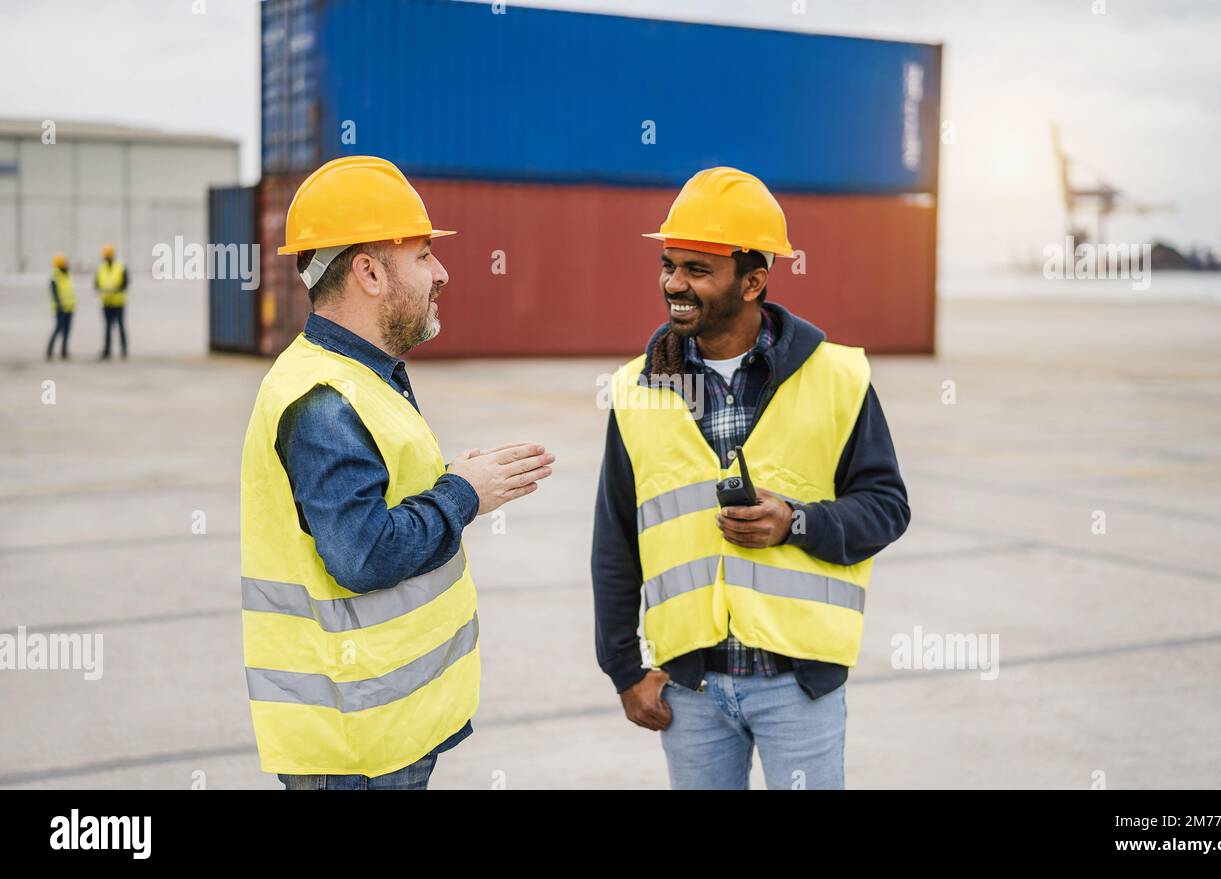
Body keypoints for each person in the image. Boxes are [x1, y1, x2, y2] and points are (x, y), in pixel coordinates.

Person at [240, 155, 555, 789]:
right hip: (354, 749)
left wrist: (455, 481)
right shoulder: (323, 400)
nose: (443, 272)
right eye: (423, 256)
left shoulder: (362, 375)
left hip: (381, 731)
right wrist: (465, 494)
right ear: (369, 272)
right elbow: (364, 555)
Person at [592, 167, 910, 789]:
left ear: (753, 281)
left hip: (799, 684)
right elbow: (615, 541)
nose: (674, 284)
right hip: (690, 688)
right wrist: (624, 669)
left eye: (697, 270)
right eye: (669, 265)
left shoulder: (836, 378)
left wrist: (798, 521)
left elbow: (886, 506)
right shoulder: (634, 390)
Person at [94, 243, 128, 359]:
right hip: (106, 303)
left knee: (120, 326)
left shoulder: (120, 267)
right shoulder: (101, 269)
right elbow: (96, 284)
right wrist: (104, 290)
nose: (108, 258)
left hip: (118, 303)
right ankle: (107, 350)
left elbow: (125, 284)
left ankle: (123, 350)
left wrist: (115, 290)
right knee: (107, 328)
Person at [47, 253, 75, 360]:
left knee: (67, 331)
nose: (67, 264)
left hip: (70, 307)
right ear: (59, 264)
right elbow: (55, 293)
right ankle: (50, 350)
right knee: (58, 329)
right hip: (61, 309)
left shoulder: (67, 274)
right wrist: (60, 305)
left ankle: (64, 351)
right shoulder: (55, 276)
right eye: (64, 263)